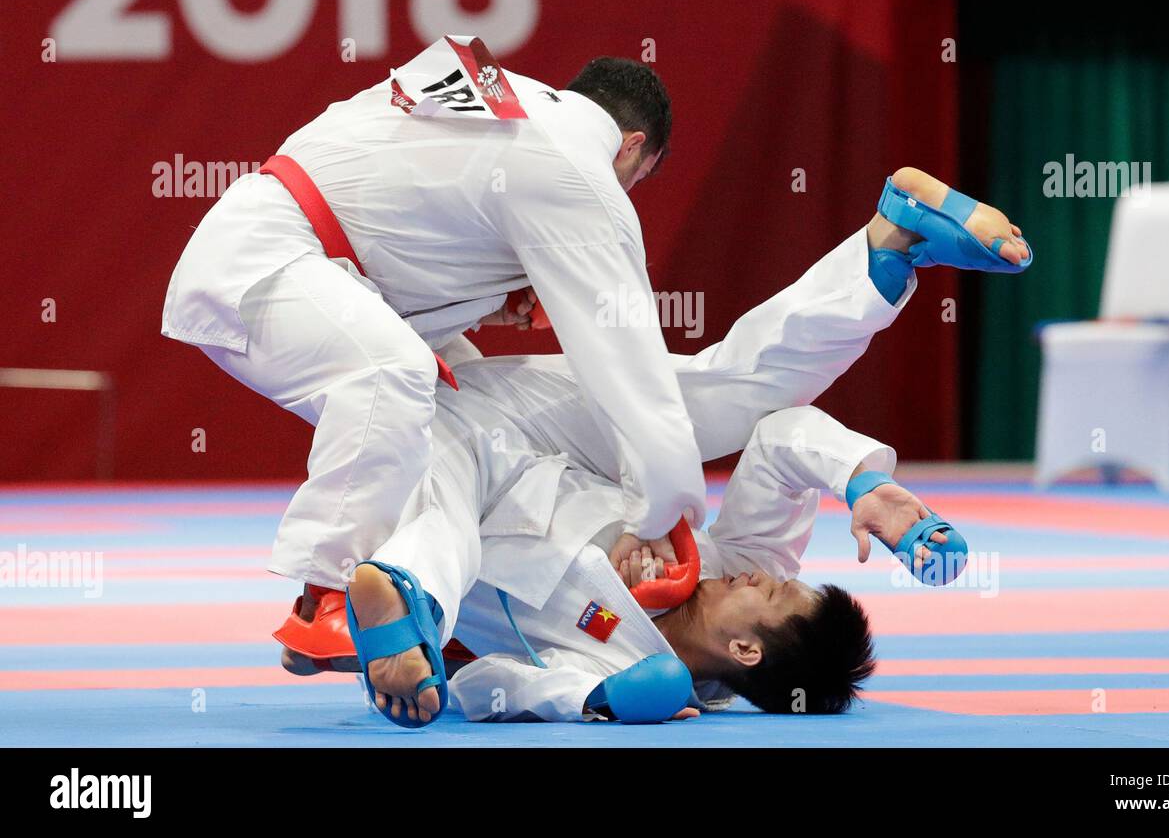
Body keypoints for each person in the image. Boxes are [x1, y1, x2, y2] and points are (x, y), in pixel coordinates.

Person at [332, 168, 1031, 723]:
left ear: (746, 650)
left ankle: (400, 590)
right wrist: (860, 483)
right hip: (552, 426)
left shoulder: (628, 662)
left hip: (460, 454)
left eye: (778, 593)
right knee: (729, 390)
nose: (766, 575)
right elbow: (780, 438)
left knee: (444, 512)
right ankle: (890, 247)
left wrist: (599, 701)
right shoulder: (743, 564)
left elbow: (495, 684)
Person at [160, 37, 708, 656]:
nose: (627, 194)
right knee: (393, 373)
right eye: (637, 180)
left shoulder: (509, 98)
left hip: (285, 251)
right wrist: (667, 509)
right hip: (272, 260)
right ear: (634, 147)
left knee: (472, 419)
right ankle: (328, 595)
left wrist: (482, 298)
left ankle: (453, 609)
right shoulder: (581, 170)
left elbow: (393, 216)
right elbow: (629, 368)